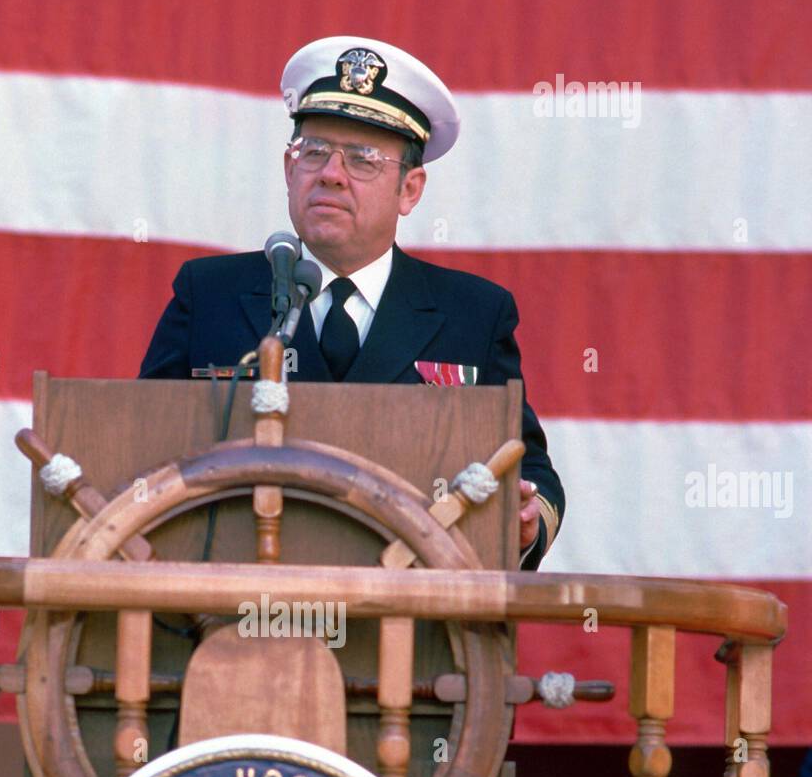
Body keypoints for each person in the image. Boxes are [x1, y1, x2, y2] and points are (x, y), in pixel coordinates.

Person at [139, 35, 565, 569]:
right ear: (290, 169)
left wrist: (526, 523)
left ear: (410, 190)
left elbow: (532, 472)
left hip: (414, 626)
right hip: (231, 623)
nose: (331, 174)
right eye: (314, 151)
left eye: (363, 159)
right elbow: (141, 450)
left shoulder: (473, 314)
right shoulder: (210, 294)